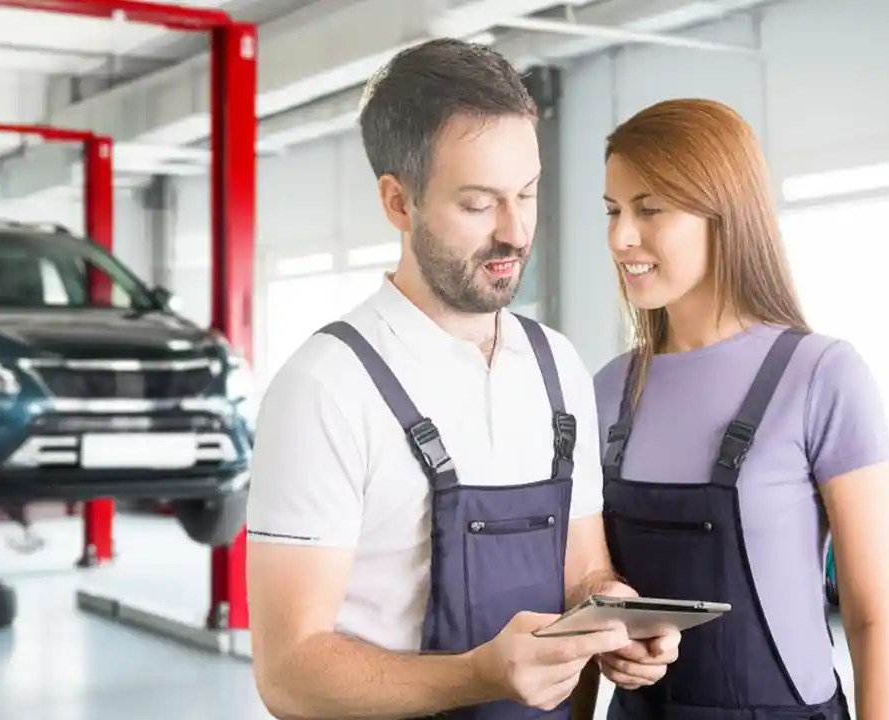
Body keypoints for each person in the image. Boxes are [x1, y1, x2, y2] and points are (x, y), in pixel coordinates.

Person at [245, 39, 680, 720]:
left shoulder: (557, 366)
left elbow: (584, 569)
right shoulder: (326, 387)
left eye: (528, 194)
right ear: (398, 201)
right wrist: (477, 675)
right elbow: (289, 672)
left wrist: (613, 616)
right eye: (479, 204)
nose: (515, 232)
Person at [593, 98, 889, 719]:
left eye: (649, 208)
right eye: (612, 210)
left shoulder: (823, 376)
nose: (619, 237)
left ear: (724, 213)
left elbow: (875, 621)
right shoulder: (606, 390)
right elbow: (584, 598)